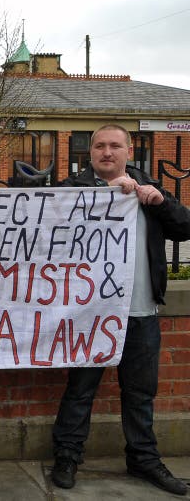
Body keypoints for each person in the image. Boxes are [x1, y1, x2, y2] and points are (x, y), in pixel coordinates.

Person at [50, 124, 190, 495]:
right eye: (99, 146)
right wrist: (100, 199)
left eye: (114, 146)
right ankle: (66, 456)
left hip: (141, 311)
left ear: (129, 151)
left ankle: (143, 459)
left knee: (141, 392)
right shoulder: (72, 190)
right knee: (80, 388)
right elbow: (48, 231)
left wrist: (160, 200)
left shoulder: (149, 189)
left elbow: (185, 228)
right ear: (90, 153)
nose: (106, 152)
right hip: (90, 313)